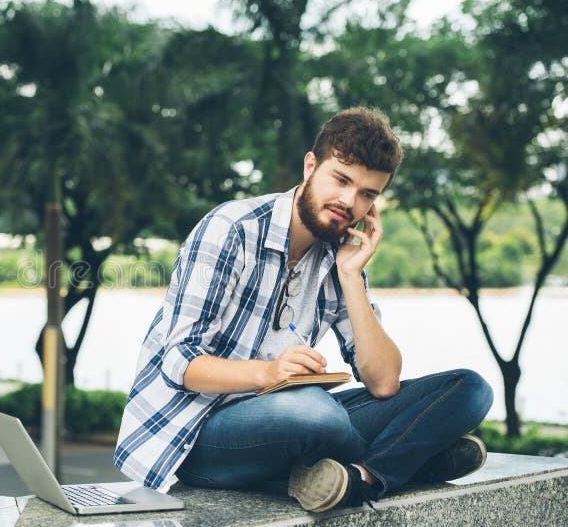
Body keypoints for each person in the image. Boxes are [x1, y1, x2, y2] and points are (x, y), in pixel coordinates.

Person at [113, 107, 493, 512]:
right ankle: (416, 461)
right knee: (317, 412)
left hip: (292, 423)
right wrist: (270, 373)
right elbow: (178, 363)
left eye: (368, 194)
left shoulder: (340, 255)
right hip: (197, 433)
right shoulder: (232, 228)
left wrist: (350, 276)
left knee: (469, 389)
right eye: (342, 180)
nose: (350, 201)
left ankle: (362, 478)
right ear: (311, 165)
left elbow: (383, 383)